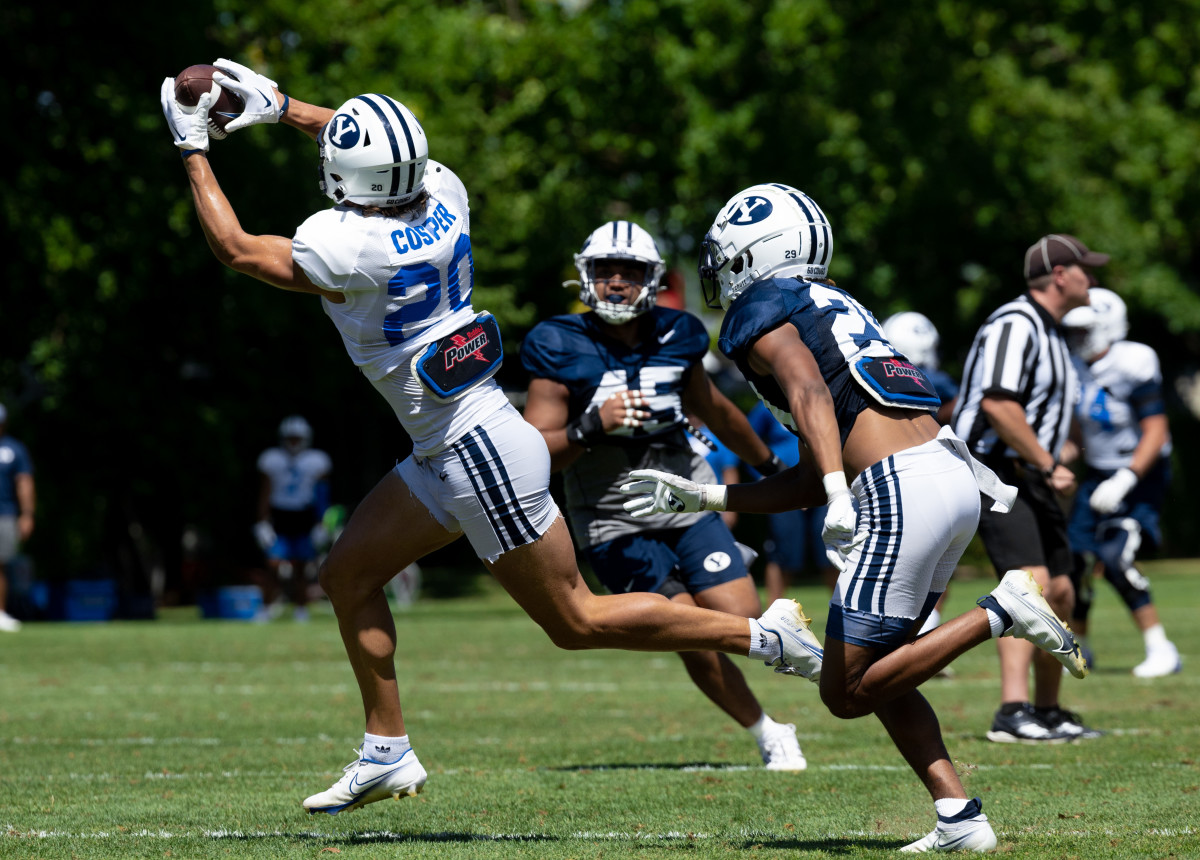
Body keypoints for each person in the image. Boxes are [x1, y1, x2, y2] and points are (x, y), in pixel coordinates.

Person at [160, 61, 823, 816]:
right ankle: (387, 749)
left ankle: (763, 637)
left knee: (576, 621)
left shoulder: (349, 246)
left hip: (476, 451)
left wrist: (192, 145)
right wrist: (281, 108)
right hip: (452, 442)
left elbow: (238, 249)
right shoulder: (446, 191)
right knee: (346, 574)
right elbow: (373, 153)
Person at [620, 183, 1088, 852]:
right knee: (883, 665)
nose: (719, 269)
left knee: (845, 691)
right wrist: (707, 499)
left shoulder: (762, 306)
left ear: (757, 252)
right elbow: (812, 472)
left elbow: (808, 392)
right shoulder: (832, 302)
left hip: (899, 490)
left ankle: (1000, 613)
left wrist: (842, 493)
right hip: (947, 476)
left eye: (726, 255)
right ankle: (960, 818)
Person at [521, 221, 806, 771]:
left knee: (740, 614)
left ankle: (718, 570)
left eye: (630, 271)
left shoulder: (678, 332)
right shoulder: (558, 343)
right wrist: (589, 427)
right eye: (606, 271)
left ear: (652, 279)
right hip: (611, 512)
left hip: (683, 492)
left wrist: (770, 465)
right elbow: (534, 451)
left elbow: (715, 410)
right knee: (688, 631)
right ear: (586, 277)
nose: (618, 282)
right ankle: (768, 730)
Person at [952, 233, 1106, 743]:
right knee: (1031, 586)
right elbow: (998, 404)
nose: (1093, 277)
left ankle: (1048, 709)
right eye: (1086, 269)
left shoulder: (1052, 332)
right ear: (1061, 274)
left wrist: (1057, 454)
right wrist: (1047, 459)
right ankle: (1011, 712)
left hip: (1028, 472)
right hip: (992, 468)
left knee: (1061, 587)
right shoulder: (1015, 323)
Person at [1061, 288, 1181, 678]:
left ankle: (1160, 647)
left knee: (1114, 556)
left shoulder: (1134, 361)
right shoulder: (1074, 367)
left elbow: (1156, 430)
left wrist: (1126, 478)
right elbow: (1077, 433)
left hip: (1141, 474)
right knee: (1075, 561)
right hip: (1097, 473)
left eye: (1086, 329)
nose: (1079, 338)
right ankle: (1082, 647)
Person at [882, 312, 958, 639]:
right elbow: (962, 404)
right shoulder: (932, 379)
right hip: (931, 472)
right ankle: (925, 632)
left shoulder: (876, 373)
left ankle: (912, 634)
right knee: (937, 565)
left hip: (892, 474)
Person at [744, 401, 837, 599]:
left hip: (826, 485)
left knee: (832, 549)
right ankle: (773, 616)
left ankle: (841, 611)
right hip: (784, 487)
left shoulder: (826, 399)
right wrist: (761, 474)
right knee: (781, 552)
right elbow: (746, 437)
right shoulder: (767, 404)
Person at [254, 415, 333, 622]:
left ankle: (301, 609)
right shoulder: (271, 459)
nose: (293, 442)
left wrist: (321, 524)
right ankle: (266, 608)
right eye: (290, 438)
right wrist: (262, 522)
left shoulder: (317, 460)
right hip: (280, 517)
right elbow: (265, 492)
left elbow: (322, 495)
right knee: (272, 565)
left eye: (297, 438)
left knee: (301, 568)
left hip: (304, 517)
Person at [0, 403, 35, 633]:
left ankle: (0, 613)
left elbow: (24, 482)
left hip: (4, 514)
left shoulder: (14, 449)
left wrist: (27, 514)